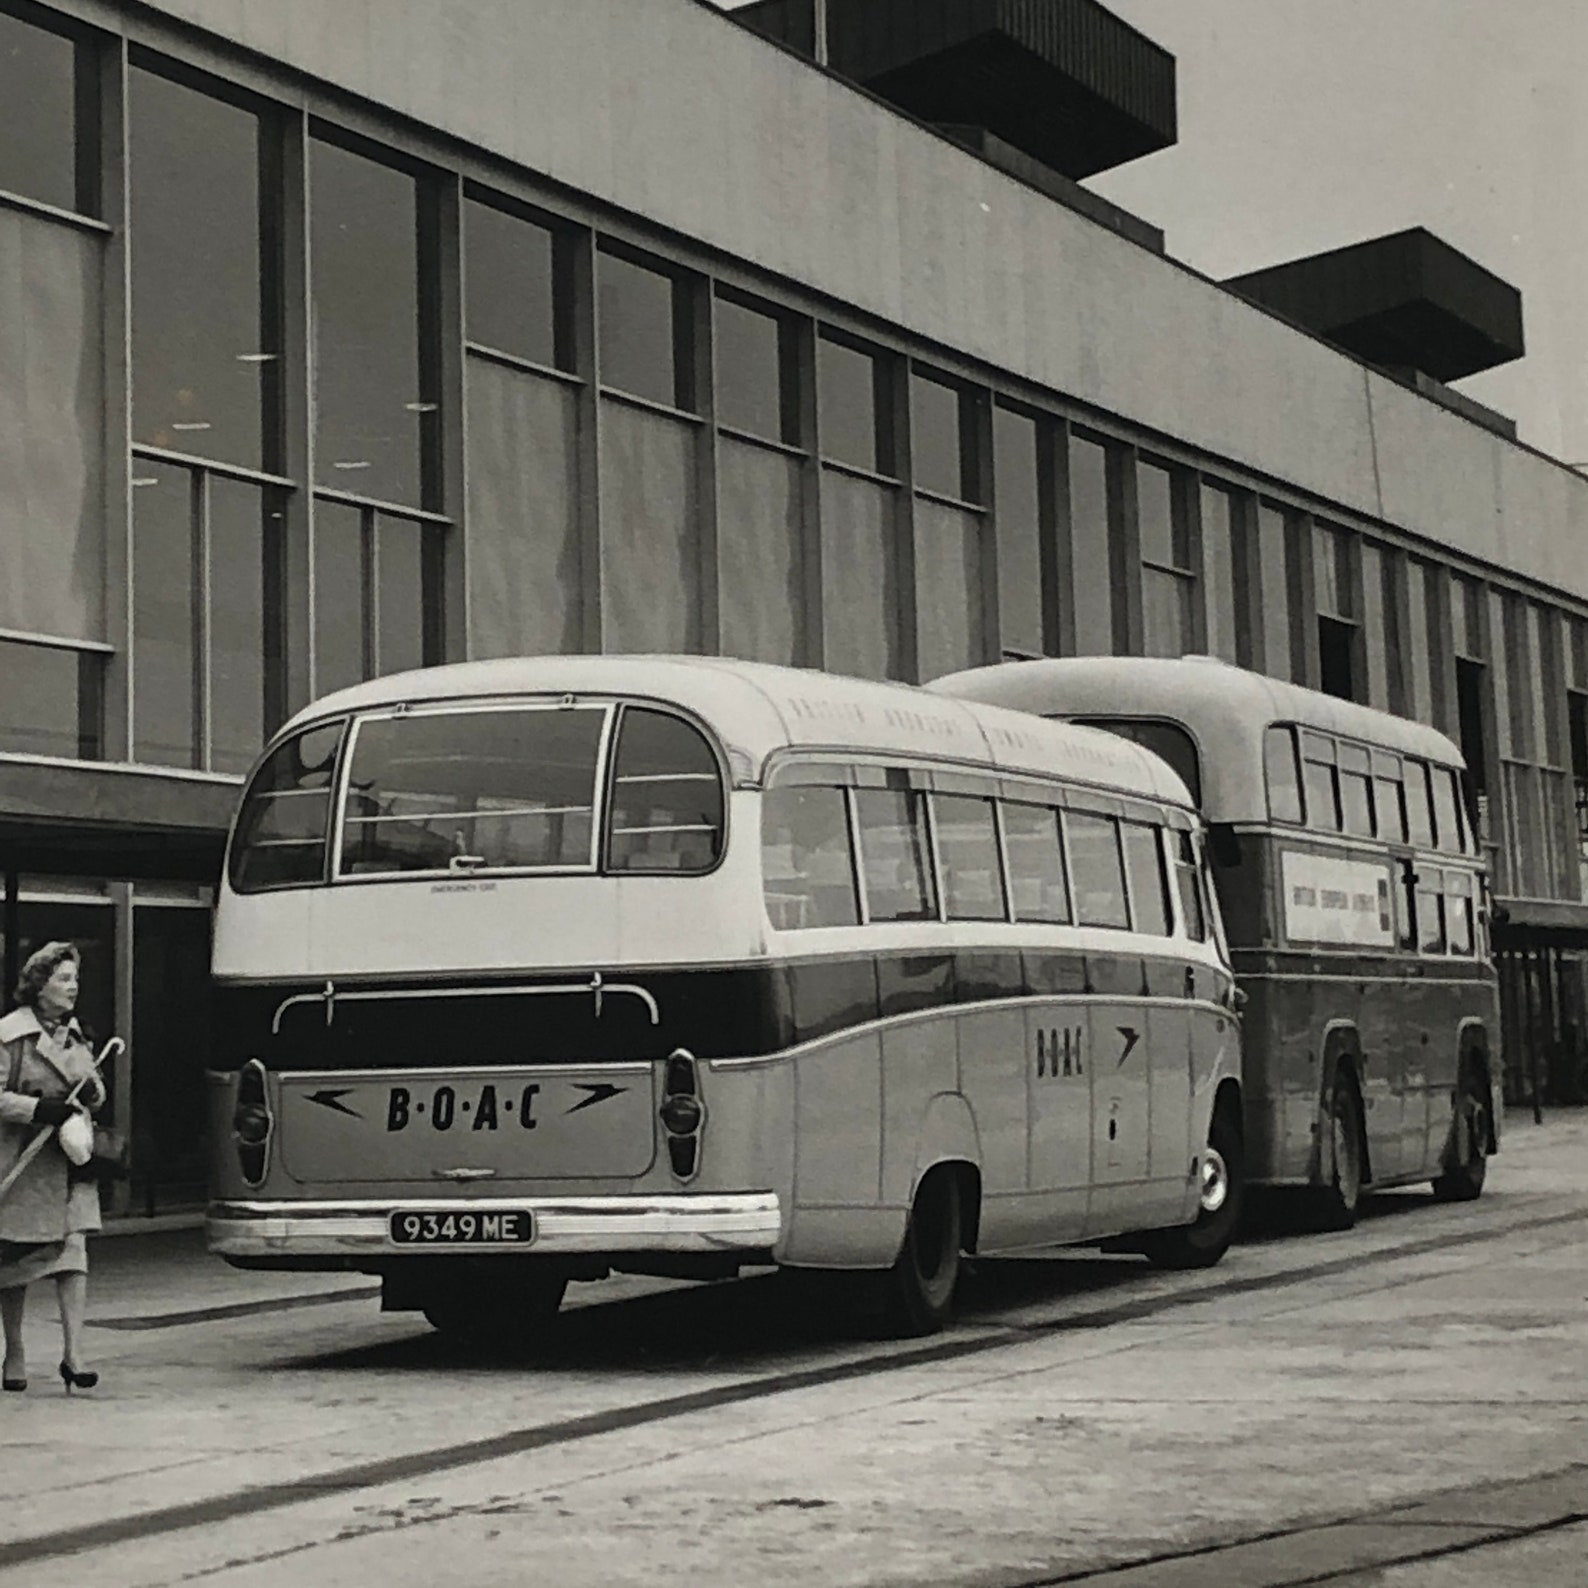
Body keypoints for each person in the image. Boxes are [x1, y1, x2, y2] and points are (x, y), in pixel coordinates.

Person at [0, 942, 106, 1393]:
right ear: (39, 985)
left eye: (75, 979)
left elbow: (93, 1086)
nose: (72, 988)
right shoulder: (9, 1035)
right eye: (63, 979)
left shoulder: (76, 1035)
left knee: (73, 1255)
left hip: (69, 1165)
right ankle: (16, 1352)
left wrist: (92, 1096)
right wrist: (43, 1110)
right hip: (24, 1164)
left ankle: (74, 1354)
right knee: (15, 1261)